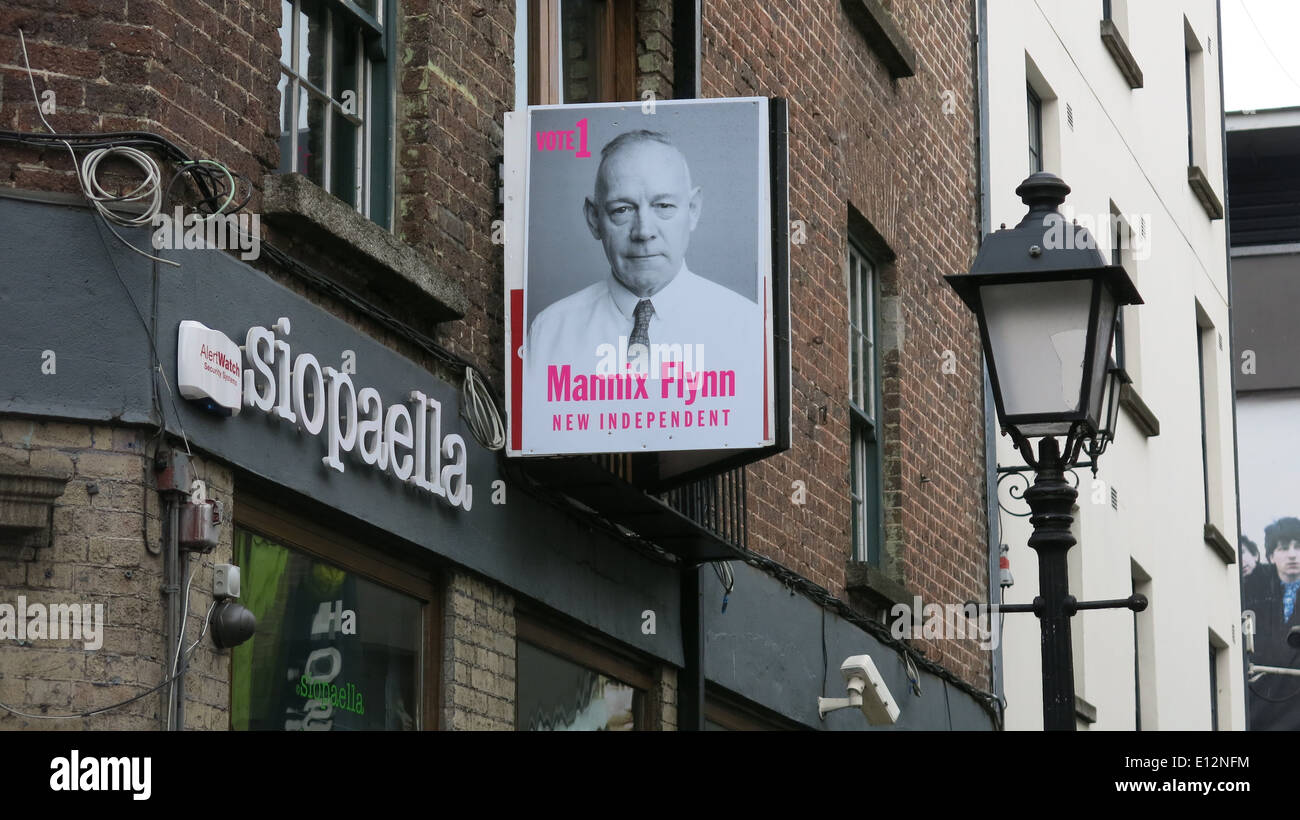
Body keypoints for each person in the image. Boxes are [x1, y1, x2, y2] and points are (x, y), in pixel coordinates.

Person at [523, 129, 765, 449]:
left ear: (693, 210)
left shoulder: (747, 328)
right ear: (594, 219)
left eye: (663, 206)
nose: (644, 231)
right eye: (622, 210)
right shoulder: (550, 332)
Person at [1243, 517, 1300, 730]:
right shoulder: (1253, 590)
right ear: (1270, 555)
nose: (1292, 554)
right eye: (1284, 548)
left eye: (1298, 546)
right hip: (1261, 704)